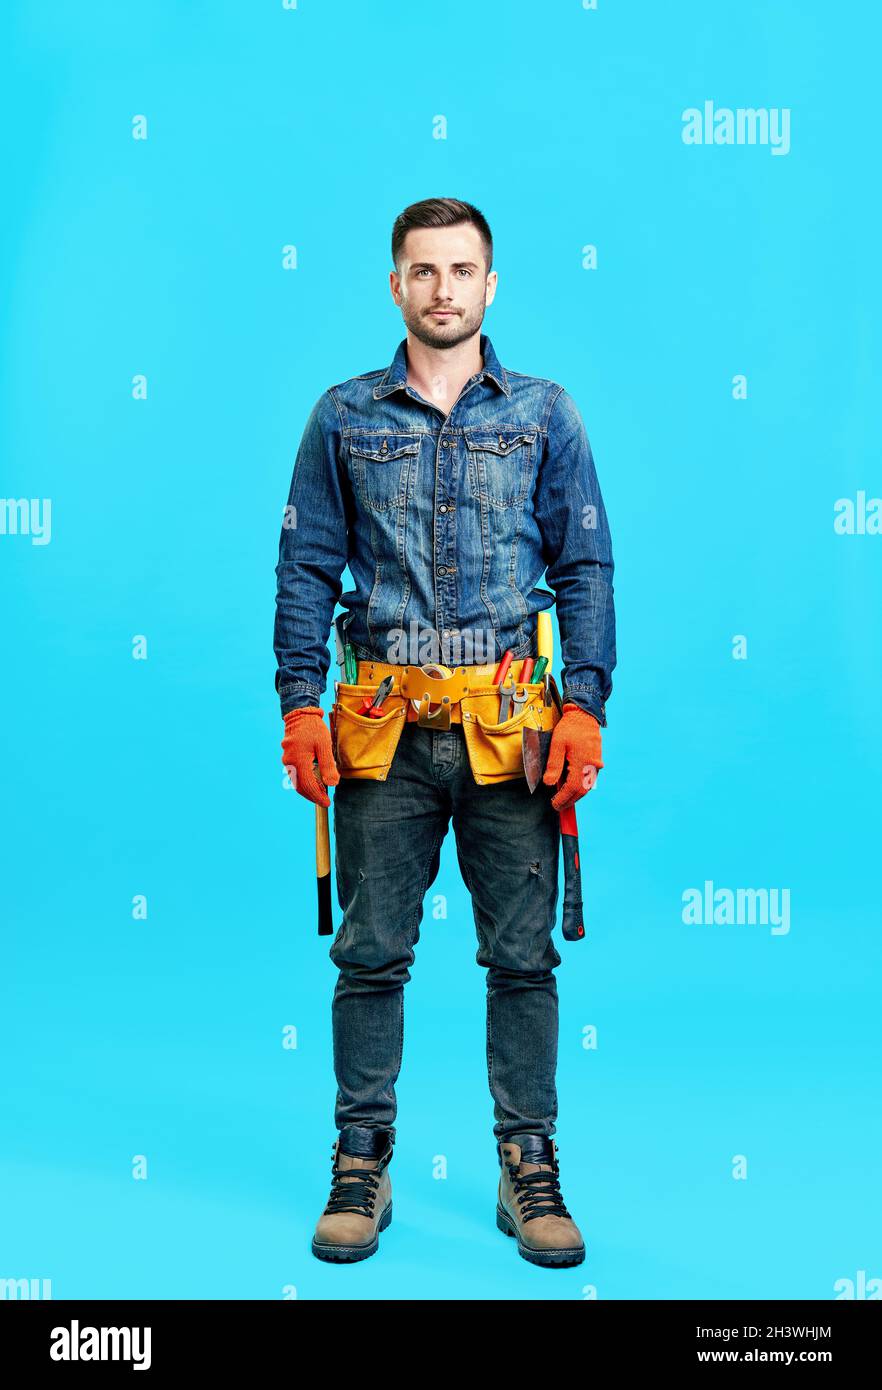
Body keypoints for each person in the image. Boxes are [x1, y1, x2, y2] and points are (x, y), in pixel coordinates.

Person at [273, 197, 616, 1267]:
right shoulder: (342, 417)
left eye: (462, 270)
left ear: (490, 284)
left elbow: (586, 567)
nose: (443, 289)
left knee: (521, 959)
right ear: (395, 285)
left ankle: (530, 1165)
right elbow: (303, 565)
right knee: (372, 954)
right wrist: (296, 701)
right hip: (380, 727)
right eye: (423, 271)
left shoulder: (546, 414)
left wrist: (585, 706)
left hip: (511, 730)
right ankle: (360, 1160)